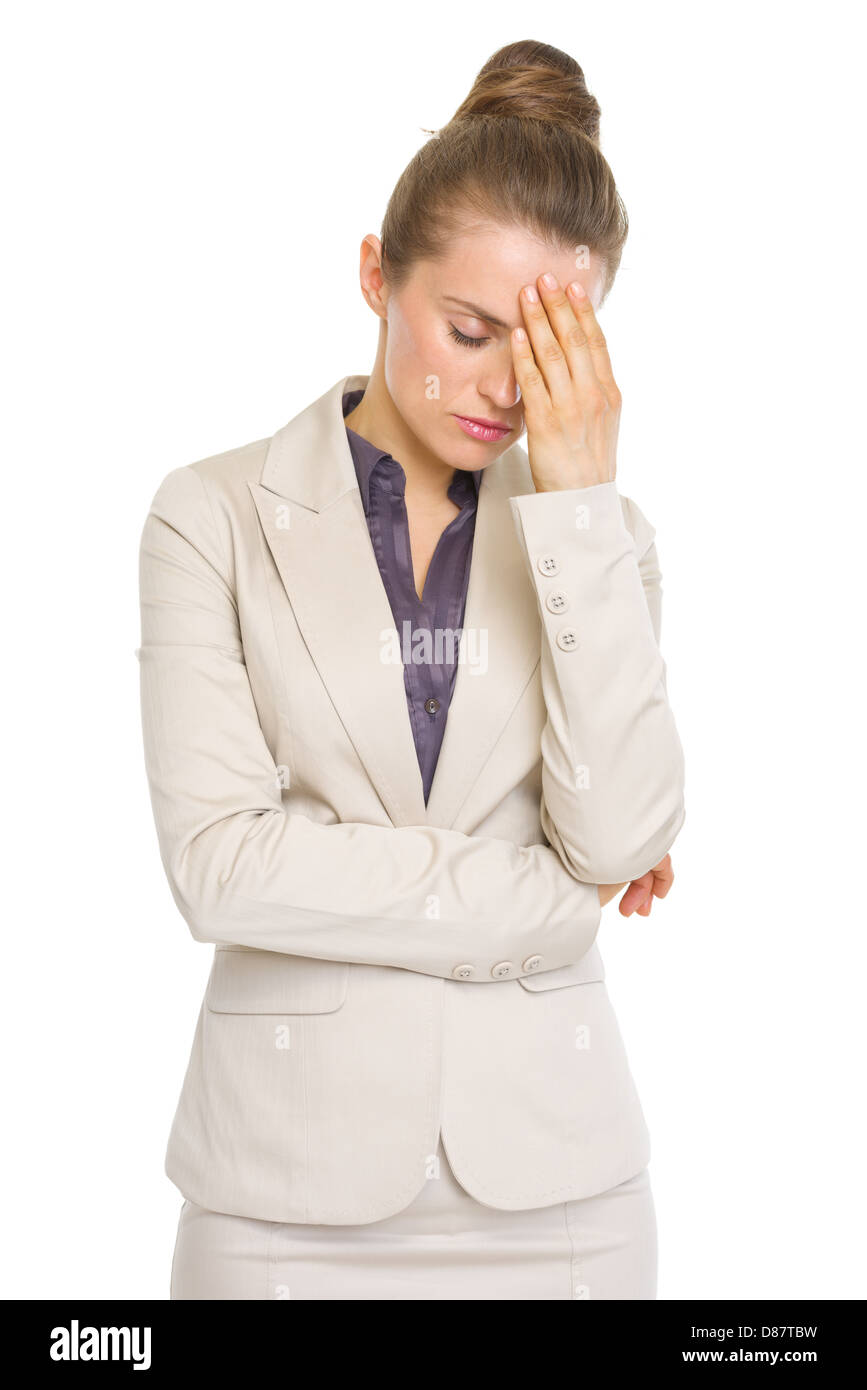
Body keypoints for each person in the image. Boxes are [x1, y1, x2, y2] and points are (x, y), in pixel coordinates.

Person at [137, 37, 686, 1300]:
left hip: (565, 1199)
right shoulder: (208, 516)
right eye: (471, 329)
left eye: (552, 347)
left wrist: (582, 510)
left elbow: (619, 832)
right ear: (378, 276)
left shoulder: (604, 539)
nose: (505, 388)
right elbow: (221, 867)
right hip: (279, 1190)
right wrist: (542, 899)